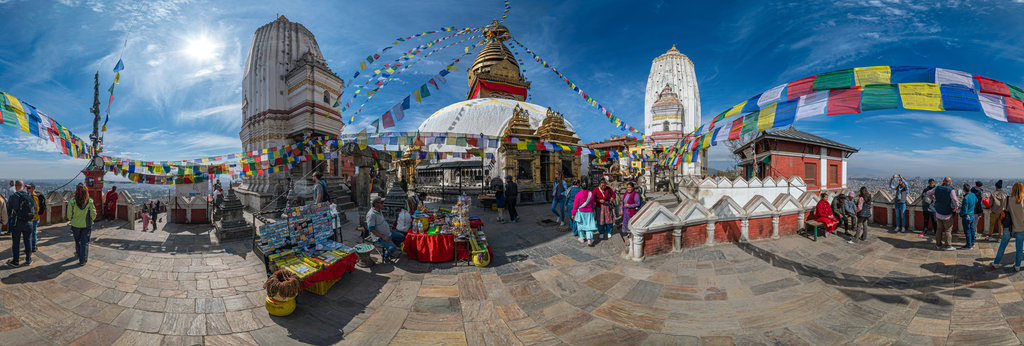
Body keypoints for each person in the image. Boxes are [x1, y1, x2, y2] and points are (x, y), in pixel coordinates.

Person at [992, 182, 1024, 270]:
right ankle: (1017, 265)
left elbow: (1005, 210)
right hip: (1021, 227)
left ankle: (996, 262)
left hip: (1009, 227)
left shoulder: (1009, 199)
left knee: (1002, 245)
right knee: (1019, 248)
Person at [925, 177, 960, 251]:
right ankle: (947, 245)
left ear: (943, 181)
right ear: (950, 183)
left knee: (939, 230)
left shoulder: (937, 188)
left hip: (938, 212)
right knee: (947, 230)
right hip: (947, 214)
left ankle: (938, 244)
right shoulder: (951, 190)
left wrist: (933, 199)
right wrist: (955, 208)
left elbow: (927, 193)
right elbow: (956, 201)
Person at [366, 196, 404, 262]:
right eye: (381, 203)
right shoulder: (371, 214)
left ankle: (391, 245)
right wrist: (383, 237)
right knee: (392, 248)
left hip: (388, 232)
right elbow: (371, 229)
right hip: (379, 237)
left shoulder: (379, 210)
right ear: (376, 204)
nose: (383, 204)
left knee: (402, 237)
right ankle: (386, 257)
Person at [6, 180, 34, 266]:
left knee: (16, 243)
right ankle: (28, 259)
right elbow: (33, 209)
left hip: (17, 223)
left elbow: (9, 211)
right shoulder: (29, 195)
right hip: (29, 222)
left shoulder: (13, 196)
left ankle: (16, 261)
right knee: (28, 241)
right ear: (23, 187)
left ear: (16, 187)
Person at [67, 183, 96, 266]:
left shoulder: (72, 201)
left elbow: (69, 214)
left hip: (75, 225)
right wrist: (92, 220)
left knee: (77, 241)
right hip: (86, 224)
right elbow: (93, 213)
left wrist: (72, 219)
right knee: (85, 242)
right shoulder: (89, 201)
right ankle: (83, 260)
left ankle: (79, 254)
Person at [572, 181, 597, 246]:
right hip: (589, 212)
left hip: (581, 212)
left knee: (580, 225)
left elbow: (575, 205)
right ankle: (589, 239)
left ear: (580, 187)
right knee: (589, 225)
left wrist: (573, 213)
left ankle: (582, 238)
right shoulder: (590, 194)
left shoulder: (578, 194)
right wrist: (592, 210)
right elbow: (593, 204)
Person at [27, 184, 45, 253]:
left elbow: (37, 208)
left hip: (34, 218)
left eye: (29, 188)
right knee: (31, 232)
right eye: (27, 188)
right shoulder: (29, 196)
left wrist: (32, 216)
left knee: (33, 232)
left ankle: (34, 246)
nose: (27, 189)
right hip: (32, 218)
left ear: (33, 188)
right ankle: (31, 245)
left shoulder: (34, 197)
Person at [960, 183, 979, 250]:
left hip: (966, 216)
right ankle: (972, 242)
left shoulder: (965, 198)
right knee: (972, 229)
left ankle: (968, 244)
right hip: (972, 214)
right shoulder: (973, 195)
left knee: (967, 230)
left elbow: (964, 209)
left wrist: (961, 214)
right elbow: (976, 201)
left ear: (964, 190)